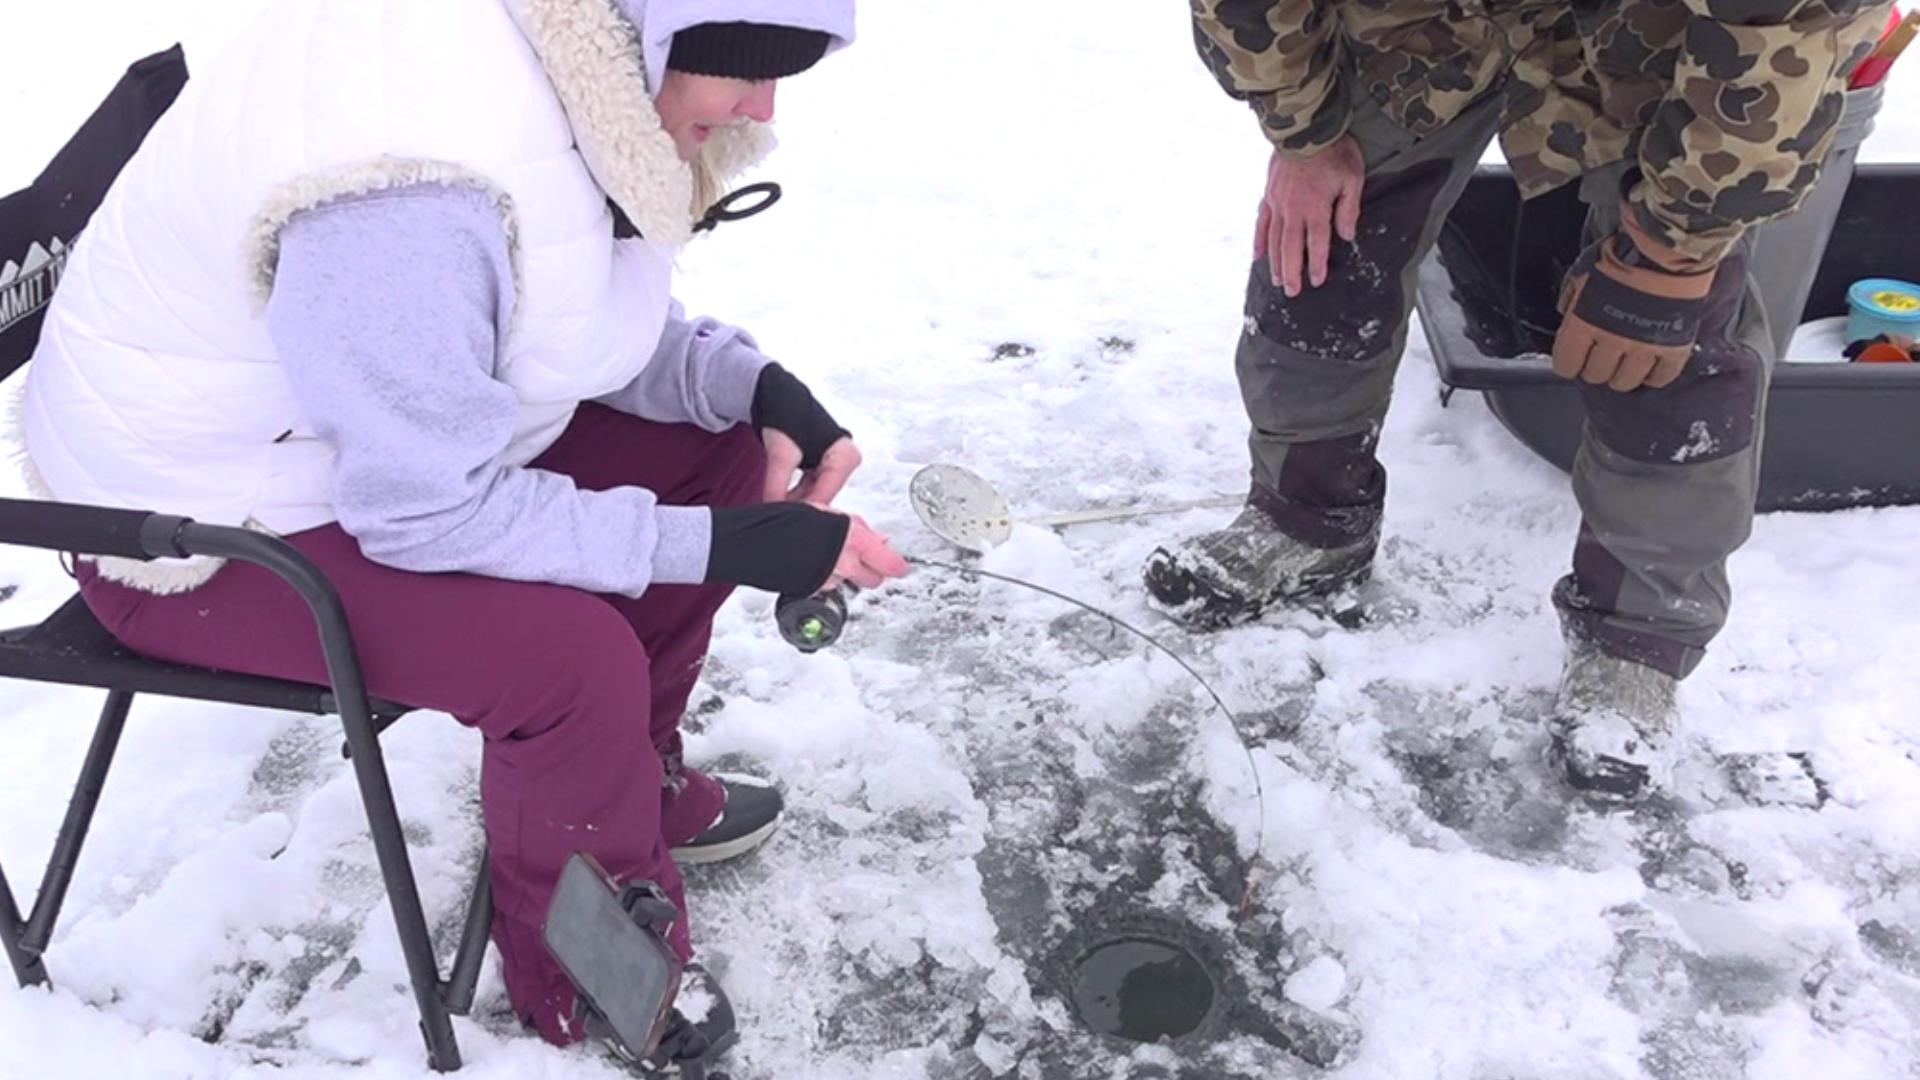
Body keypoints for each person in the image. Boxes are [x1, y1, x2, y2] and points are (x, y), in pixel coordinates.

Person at [17, 0, 909, 1063]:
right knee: (566, 665)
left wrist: (750, 386)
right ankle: (590, 975)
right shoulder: (409, 183)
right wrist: (719, 547)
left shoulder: (554, 69)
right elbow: (424, 509)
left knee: (711, 452)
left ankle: (627, 784)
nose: (763, 108)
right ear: (651, 36)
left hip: (344, 443)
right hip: (193, 530)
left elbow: (554, 306)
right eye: (740, 67)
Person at [1150, 0, 1887, 801]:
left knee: (1671, 344)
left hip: (1682, 40)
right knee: (1326, 240)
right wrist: (1306, 134)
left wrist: (1669, 255)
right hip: (1430, 18)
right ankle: (1306, 515)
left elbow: (1777, 35)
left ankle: (1640, 632)